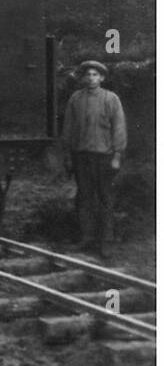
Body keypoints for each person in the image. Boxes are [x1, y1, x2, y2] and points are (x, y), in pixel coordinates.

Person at [62, 60, 128, 257]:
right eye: (88, 75)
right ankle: (87, 238)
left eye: (95, 75)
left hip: (104, 157)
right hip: (81, 156)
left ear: (102, 78)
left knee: (105, 198)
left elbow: (119, 128)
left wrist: (117, 156)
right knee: (84, 197)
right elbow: (68, 128)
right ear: (82, 78)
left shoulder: (111, 99)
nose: (91, 78)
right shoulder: (76, 99)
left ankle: (107, 242)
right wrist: (67, 155)